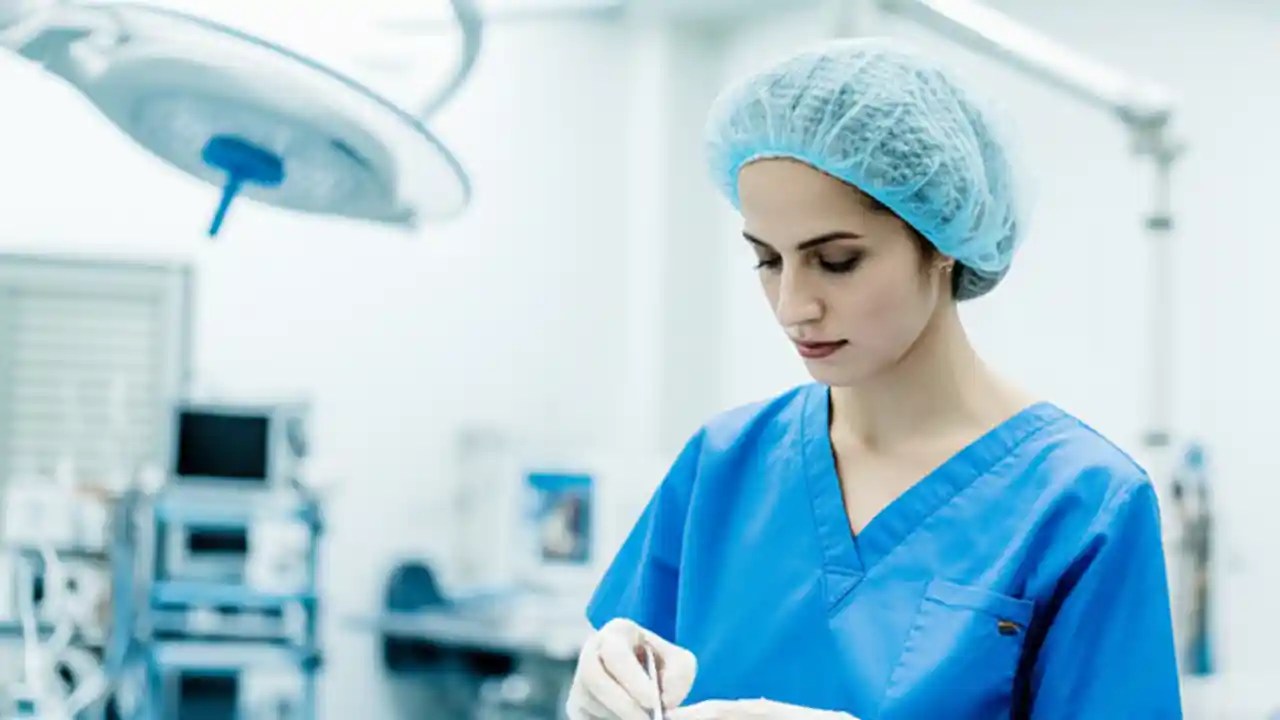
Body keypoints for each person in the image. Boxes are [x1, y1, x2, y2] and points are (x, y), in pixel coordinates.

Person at [564, 37, 1182, 720]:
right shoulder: (724, 463)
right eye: (768, 260)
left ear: (942, 240)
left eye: (836, 261)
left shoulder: (1081, 504)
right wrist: (603, 690)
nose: (794, 306)